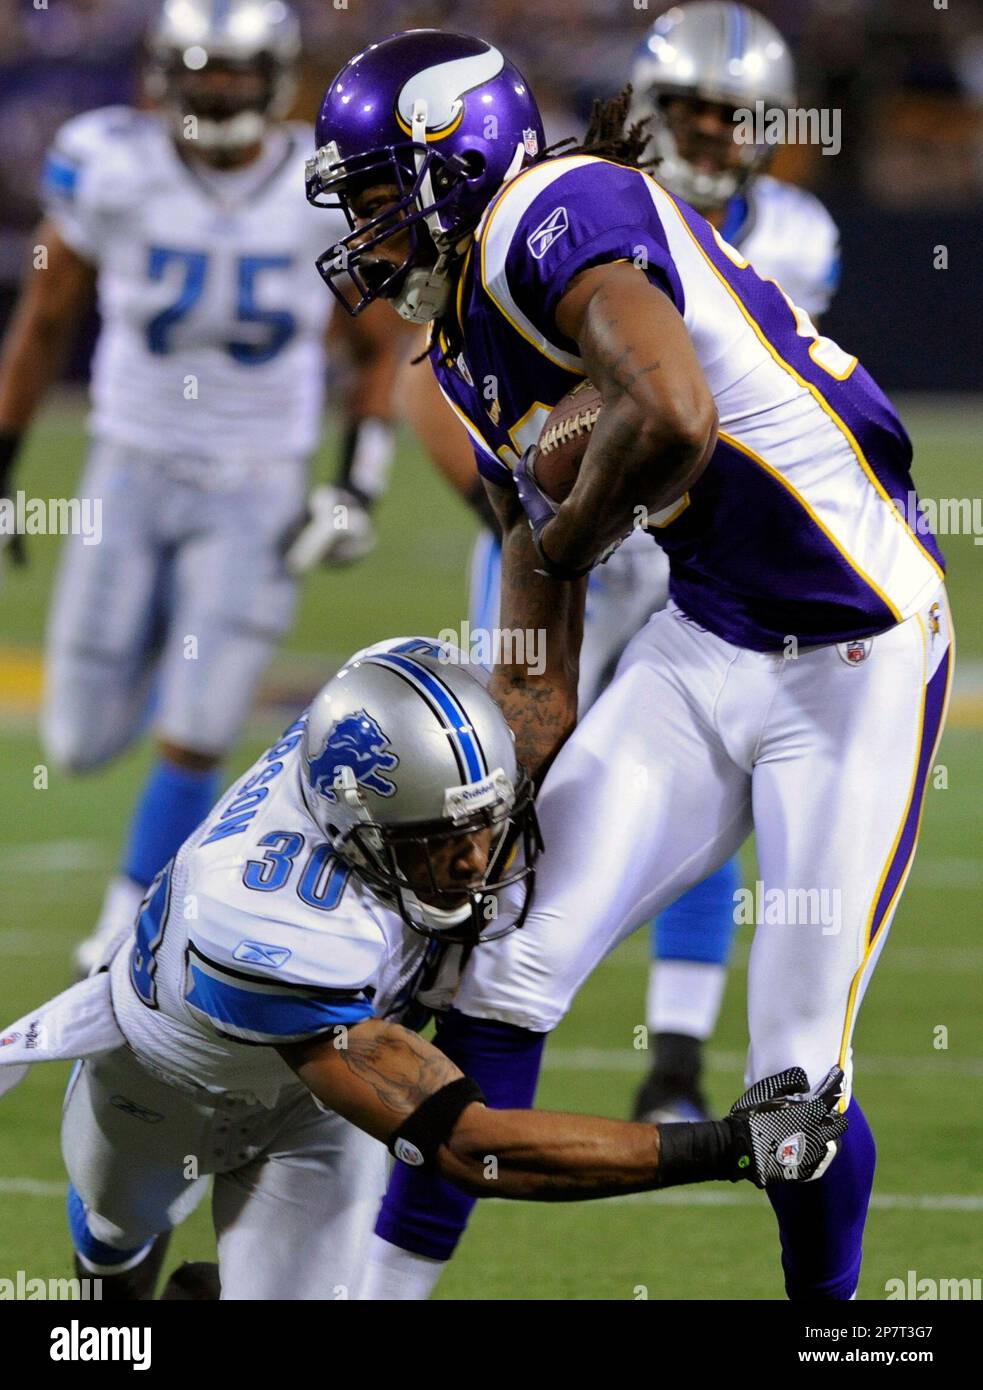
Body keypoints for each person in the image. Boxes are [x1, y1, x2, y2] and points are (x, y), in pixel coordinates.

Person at [305, 28, 951, 1301]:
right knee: (497, 966)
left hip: (853, 654)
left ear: (452, 157)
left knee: (789, 1087)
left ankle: (836, 1330)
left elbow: (669, 410)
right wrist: (503, 804)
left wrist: (568, 518)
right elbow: (538, 615)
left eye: (379, 187)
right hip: (703, 638)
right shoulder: (460, 351)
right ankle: (376, 1297)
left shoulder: (556, 208)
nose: (366, 225)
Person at [0, 638, 846, 1300]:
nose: (479, 860)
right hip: (161, 1083)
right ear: (358, 833)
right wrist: (731, 1146)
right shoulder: (274, 927)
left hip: (308, 1107)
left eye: (484, 826)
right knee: (115, 1253)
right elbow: (468, 1149)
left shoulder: (385, 718)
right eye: (443, 842)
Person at [395, 1, 843, 1125]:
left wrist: (563, 484)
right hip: (569, 526)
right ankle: (433, 987)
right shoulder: (567, 212)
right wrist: (516, 497)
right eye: (687, 107)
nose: (708, 130)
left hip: (683, 539)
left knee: (691, 772)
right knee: (507, 760)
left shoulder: (789, 229)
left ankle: (678, 1051)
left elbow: (705, 394)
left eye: (731, 113)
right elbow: (467, 388)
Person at [0, 0, 400, 976]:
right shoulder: (112, 163)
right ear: (163, 73)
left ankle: (122, 924)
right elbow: (46, 316)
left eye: (234, 70)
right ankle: (155, 647)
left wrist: (358, 480)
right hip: (127, 464)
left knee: (204, 717)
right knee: (83, 735)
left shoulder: (321, 183)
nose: (218, 88)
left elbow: (378, 340)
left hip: (257, 483)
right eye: (200, 68)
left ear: (275, 76)